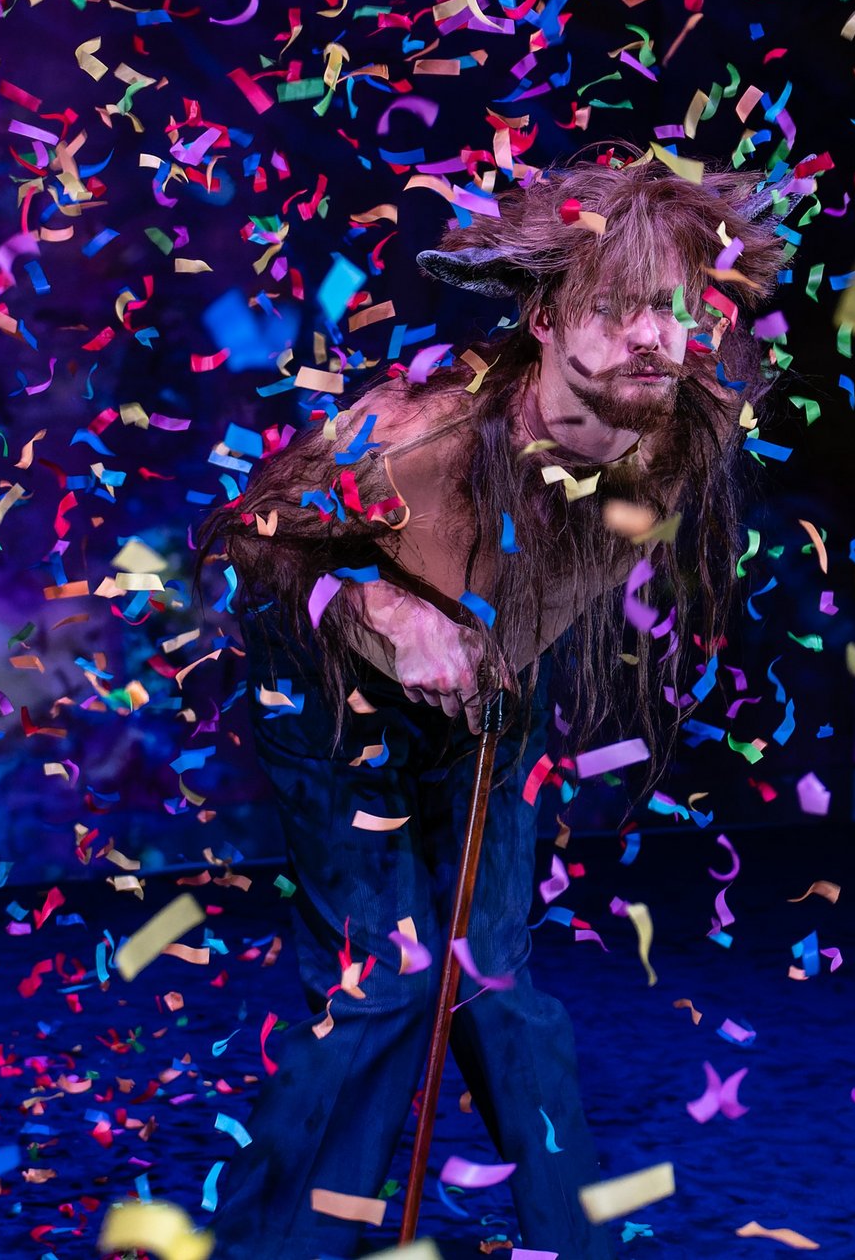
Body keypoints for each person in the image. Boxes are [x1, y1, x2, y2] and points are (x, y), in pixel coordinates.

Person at [195, 147, 788, 1258]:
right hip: (334, 688)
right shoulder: (417, 433)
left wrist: (491, 649)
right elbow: (247, 542)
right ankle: (281, 1244)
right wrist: (383, 608)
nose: (652, 338)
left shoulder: (686, 421)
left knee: (497, 982)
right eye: (615, 310)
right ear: (547, 320)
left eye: (671, 309)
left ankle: (568, 1241)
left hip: (495, 694)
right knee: (387, 979)